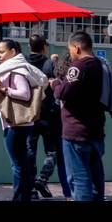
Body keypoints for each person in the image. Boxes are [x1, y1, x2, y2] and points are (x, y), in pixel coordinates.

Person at [50, 30, 106, 202]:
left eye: (71, 49)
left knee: (79, 179)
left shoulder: (78, 66)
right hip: (95, 130)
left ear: (77, 48)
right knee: (96, 178)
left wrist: (56, 84)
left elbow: (63, 92)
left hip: (76, 132)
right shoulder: (100, 64)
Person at [0, 38, 48, 202]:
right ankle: (24, 196)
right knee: (21, 162)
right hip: (19, 122)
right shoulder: (12, 69)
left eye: (2, 52)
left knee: (17, 164)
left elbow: (24, 93)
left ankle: (19, 197)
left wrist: (4, 89)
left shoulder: (17, 70)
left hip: (17, 122)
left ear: (13, 52)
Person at [26, 32, 69, 199]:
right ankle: (43, 178)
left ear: (29, 46)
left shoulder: (24, 64)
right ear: (44, 47)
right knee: (52, 152)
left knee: (30, 151)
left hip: (29, 113)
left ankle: (30, 189)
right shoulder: (49, 64)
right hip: (49, 114)